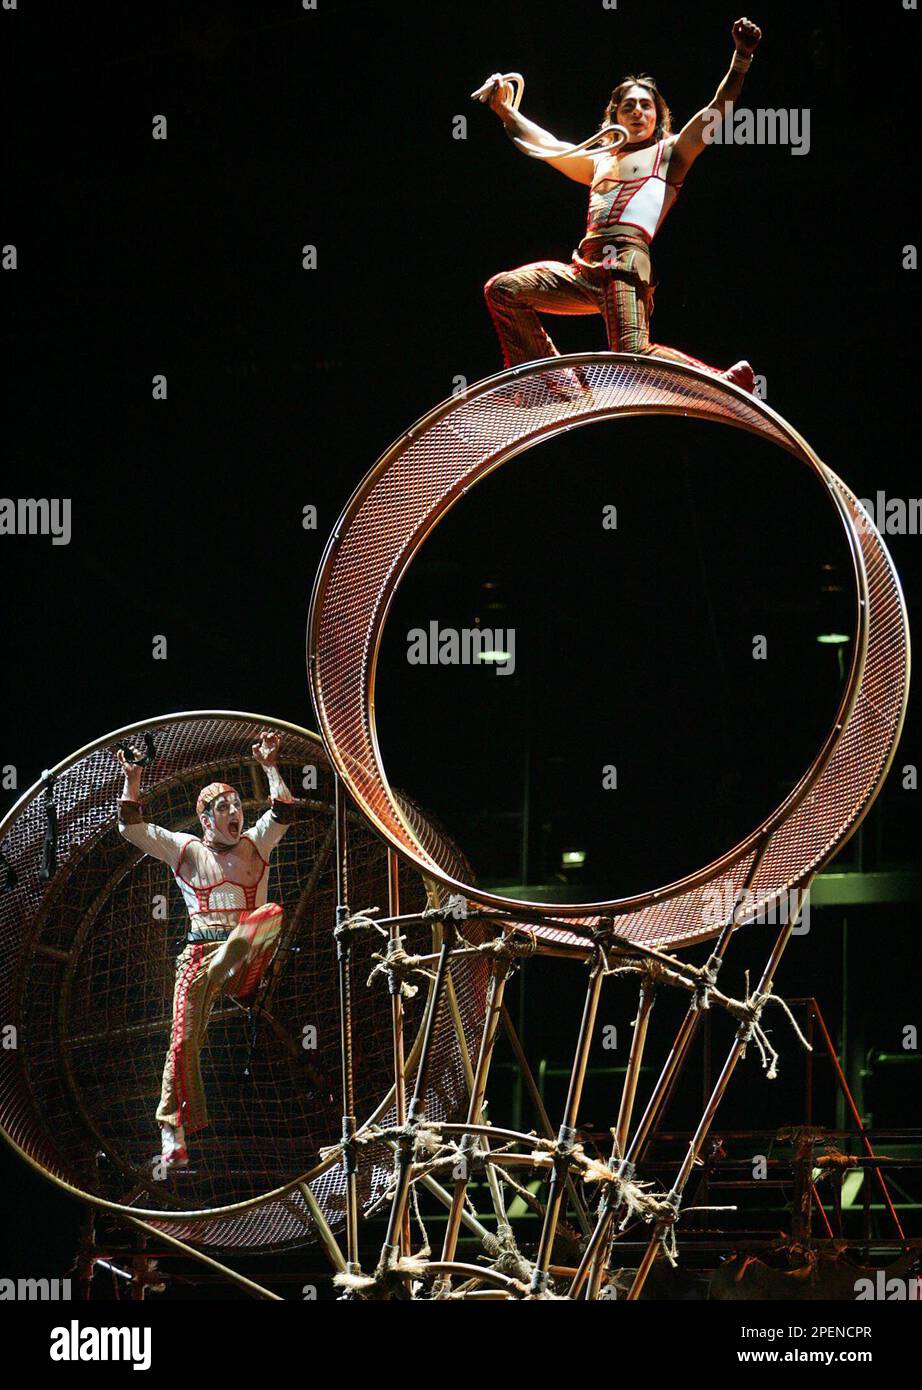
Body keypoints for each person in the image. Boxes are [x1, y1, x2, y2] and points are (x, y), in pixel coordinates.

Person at [482, 17, 763, 394]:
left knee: (631, 353)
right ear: (614, 116)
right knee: (504, 291)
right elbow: (546, 145)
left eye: (646, 106)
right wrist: (505, 111)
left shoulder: (671, 153)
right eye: (628, 105)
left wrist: (741, 57)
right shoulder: (600, 160)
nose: (637, 111)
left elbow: (718, 107)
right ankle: (554, 384)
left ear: (658, 116)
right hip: (584, 269)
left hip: (623, 265)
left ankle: (722, 382)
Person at [116, 729, 306, 1168]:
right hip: (200, 957)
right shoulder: (185, 850)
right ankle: (173, 1129)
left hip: (246, 957)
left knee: (268, 913)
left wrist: (270, 765)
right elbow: (132, 827)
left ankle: (238, 963)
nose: (235, 812)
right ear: (206, 819)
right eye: (224, 808)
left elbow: (284, 810)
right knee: (183, 1040)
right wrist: (133, 779)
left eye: (238, 805)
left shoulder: (257, 843)